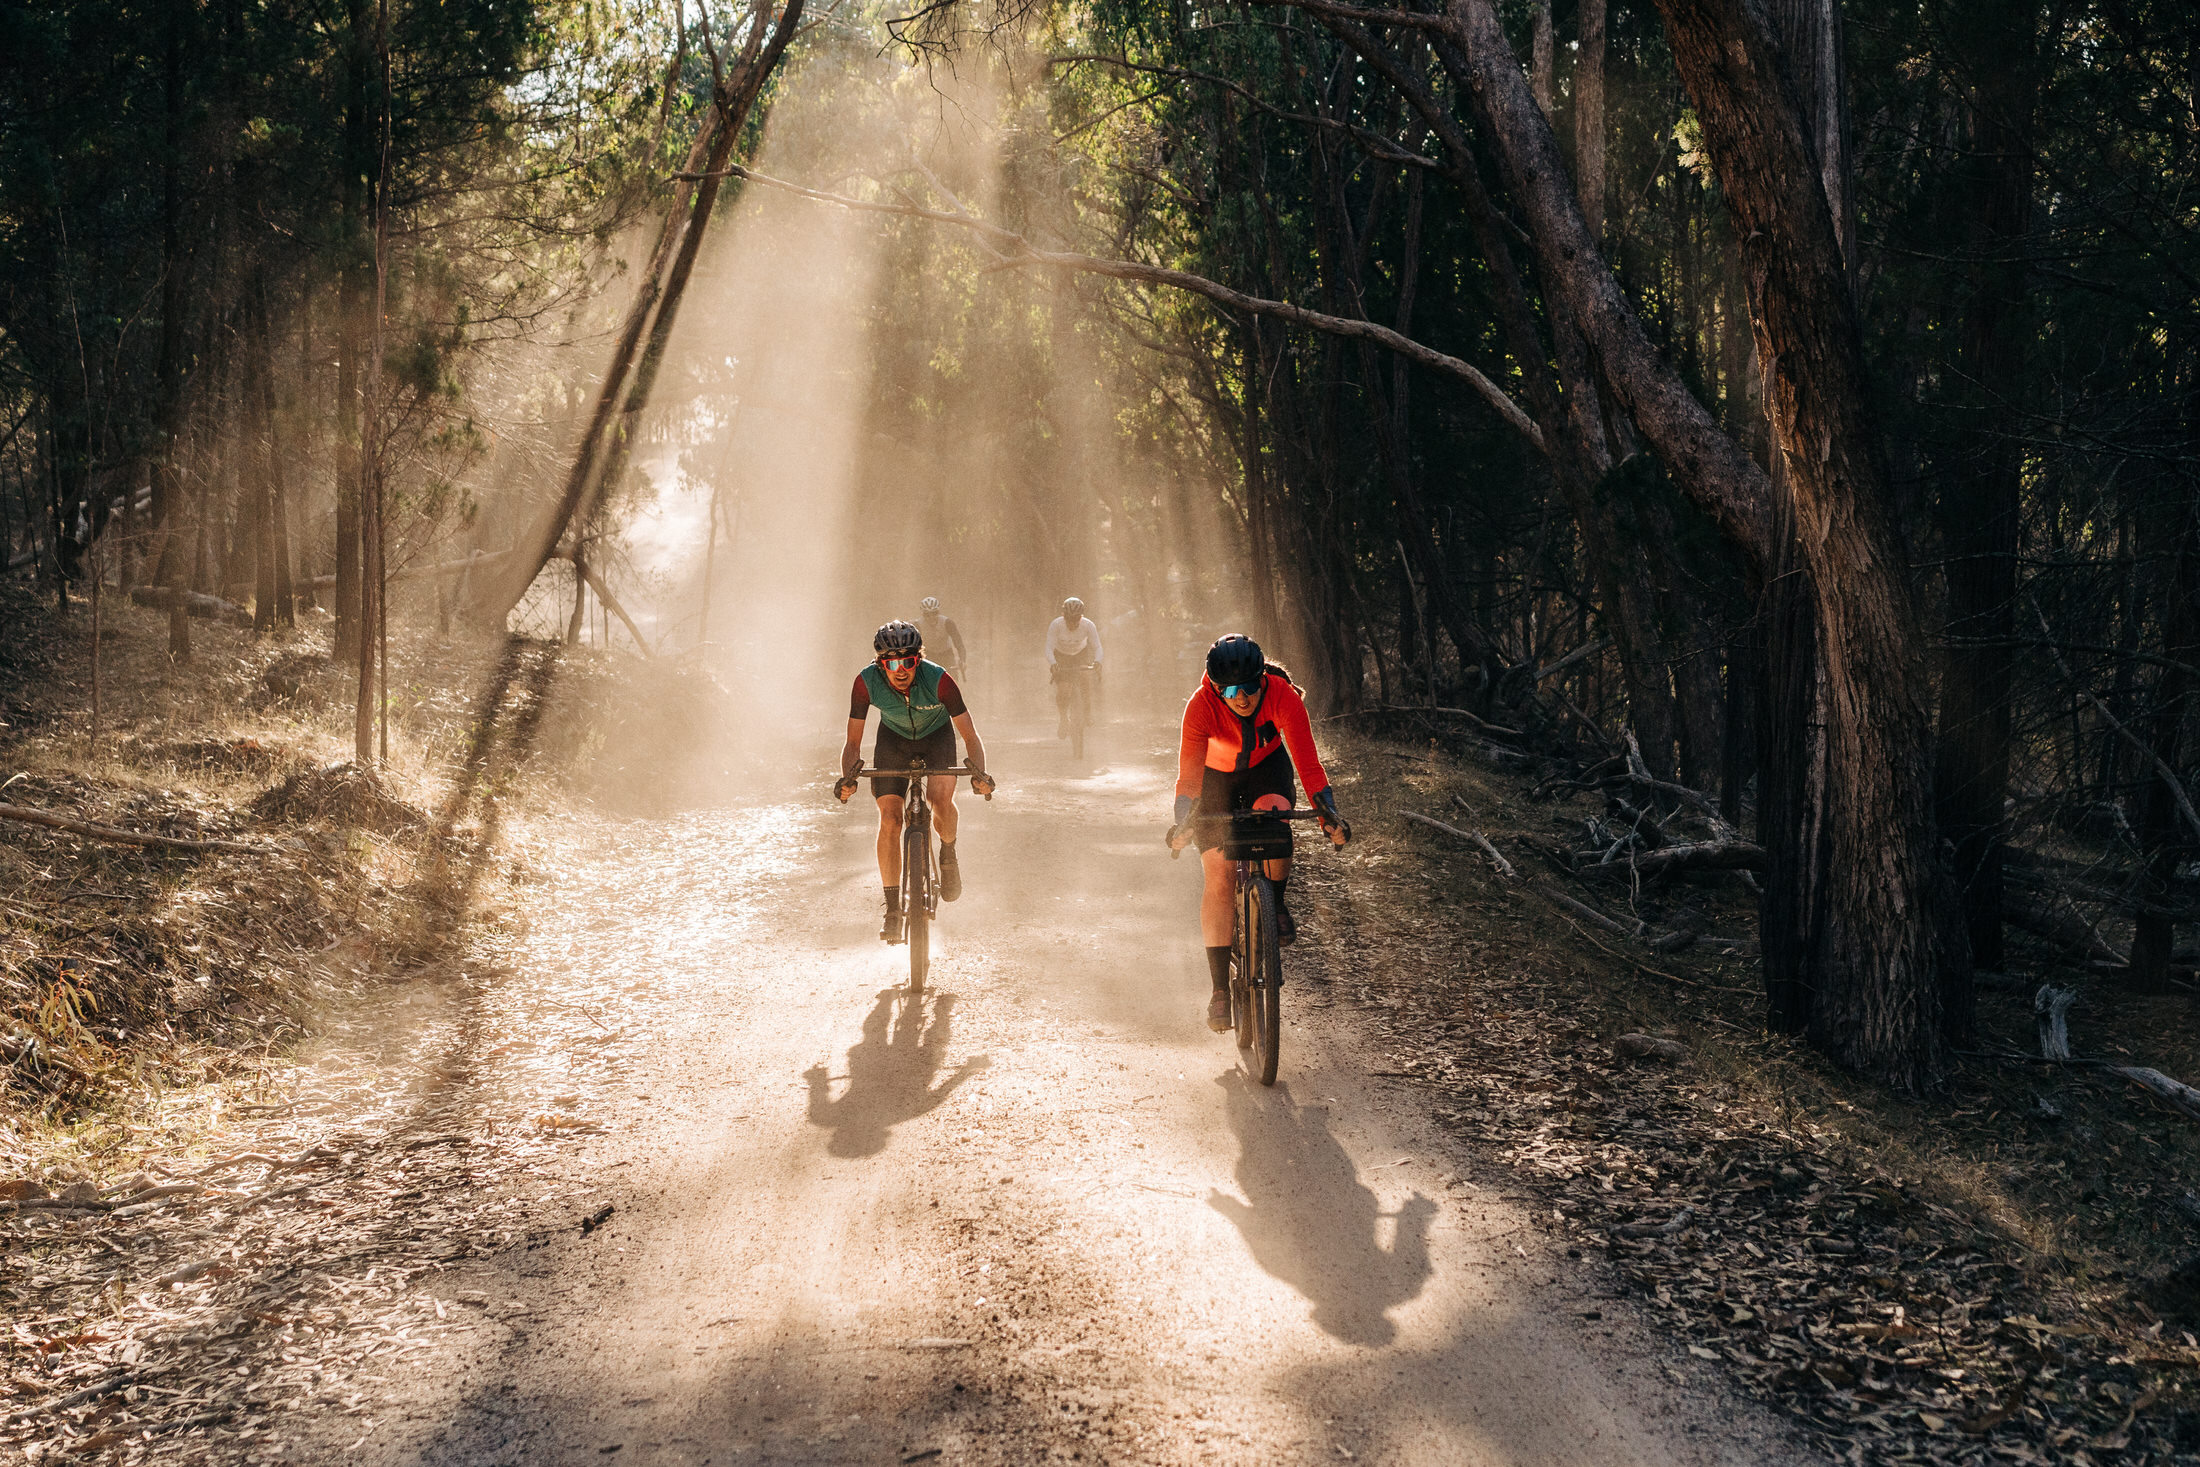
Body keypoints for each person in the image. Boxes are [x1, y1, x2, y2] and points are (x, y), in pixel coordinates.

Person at [1166, 634, 1350, 1033]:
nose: (1242, 697)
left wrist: (1329, 817)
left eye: (1250, 686)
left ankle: (1275, 904)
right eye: (1230, 690)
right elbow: (1188, 781)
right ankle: (1219, 991)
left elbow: (1309, 766)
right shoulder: (1200, 708)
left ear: (1263, 679)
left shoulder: (1282, 696)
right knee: (1218, 876)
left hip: (1267, 768)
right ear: (1215, 687)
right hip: (1215, 780)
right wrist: (1183, 823)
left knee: (1277, 819)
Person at [835, 621, 996, 942]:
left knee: (940, 799)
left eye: (908, 661)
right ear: (880, 664)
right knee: (891, 819)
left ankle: (948, 852)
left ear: (918, 659)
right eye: (892, 663)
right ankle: (892, 908)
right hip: (892, 741)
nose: (900, 670)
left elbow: (969, 734)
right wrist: (848, 778)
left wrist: (979, 774)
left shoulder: (939, 679)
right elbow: (853, 743)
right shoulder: (865, 683)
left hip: (937, 738)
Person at [1045, 596, 1104, 739]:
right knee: (1064, 690)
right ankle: (1064, 718)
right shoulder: (1056, 625)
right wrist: (1053, 663)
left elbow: (1097, 646)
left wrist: (1097, 661)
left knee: (1085, 679)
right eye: (1069, 620)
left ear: (1081, 617)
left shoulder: (1088, 625)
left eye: (1076, 619)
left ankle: (1088, 713)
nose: (1072, 623)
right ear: (1063, 616)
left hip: (1080, 654)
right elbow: (1049, 647)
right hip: (1061, 656)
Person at [916, 596, 968, 680]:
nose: (931, 617)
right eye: (927, 615)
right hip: (928, 654)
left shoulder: (948, 623)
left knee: (952, 679)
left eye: (934, 613)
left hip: (946, 654)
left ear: (938, 612)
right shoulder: (917, 625)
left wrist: (962, 660)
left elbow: (959, 643)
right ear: (923, 614)